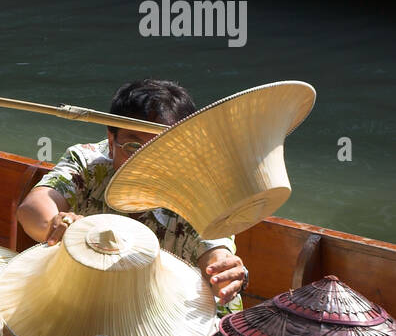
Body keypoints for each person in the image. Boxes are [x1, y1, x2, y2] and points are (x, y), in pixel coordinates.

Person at [16, 78, 247, 309]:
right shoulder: (87, 162)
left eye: (163, 150)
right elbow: (32, 209)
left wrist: (222, 270)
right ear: (111, 138)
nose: (147, 164)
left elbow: (213, 247)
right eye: (133, 148)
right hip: (89, 301)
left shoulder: (198, 185)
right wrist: (62, 225)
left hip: (168, 310)